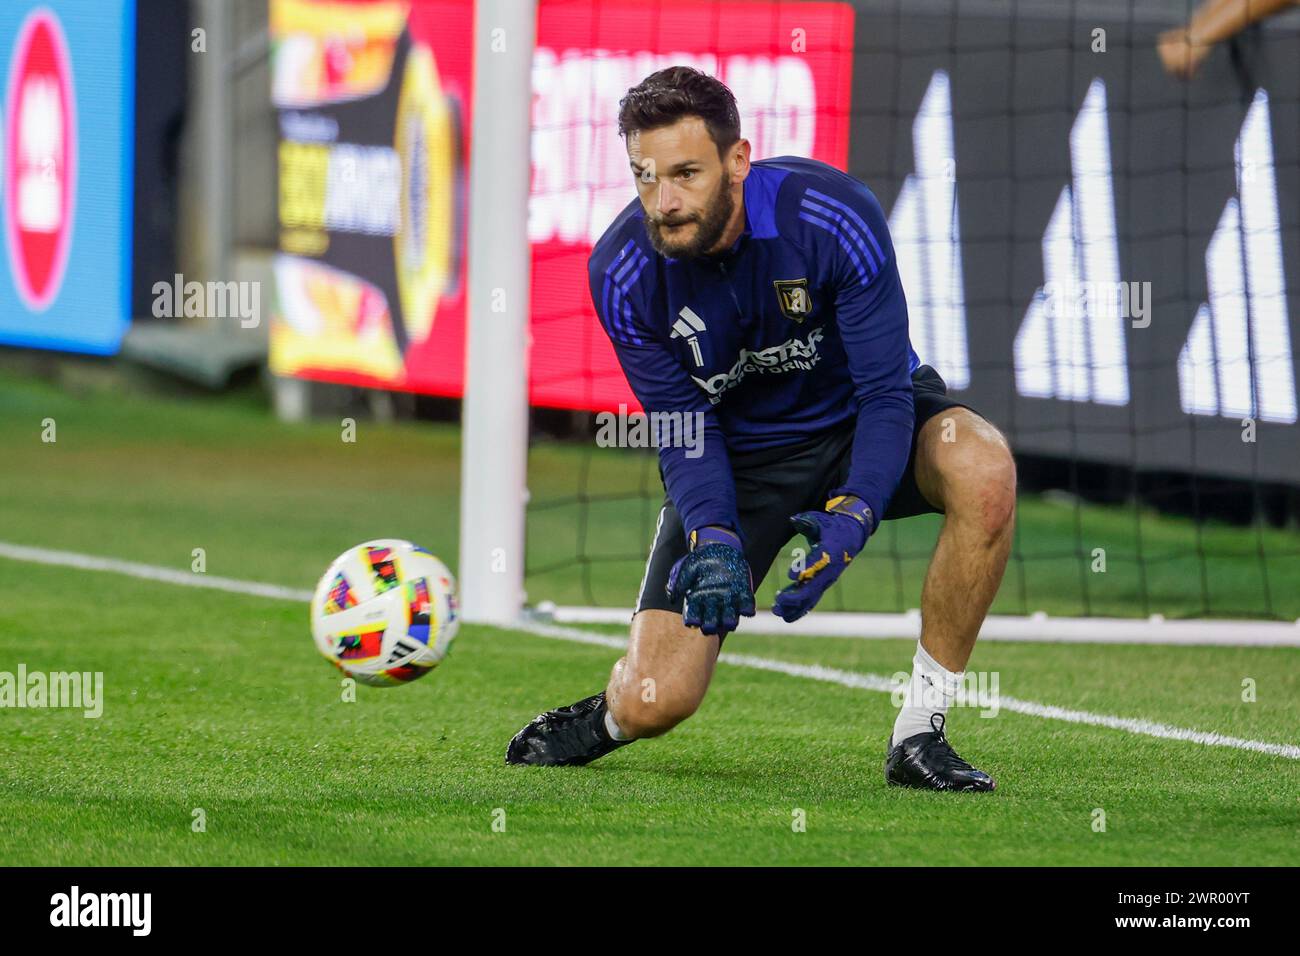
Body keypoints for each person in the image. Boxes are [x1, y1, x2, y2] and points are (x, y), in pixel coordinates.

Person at [506, 67, 1016, 791]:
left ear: (738, 160)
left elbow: (885, 393)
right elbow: (684, 425)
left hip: (859, 422)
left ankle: (920, 732)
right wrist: (713, 535)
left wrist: (858, 509)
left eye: (687, 173)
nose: (666, 202)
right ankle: (611, 715)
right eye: (646, 178)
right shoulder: (621, 274)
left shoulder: (831, 217)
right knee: (661, 701)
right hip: (741, 459)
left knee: (985, 467)